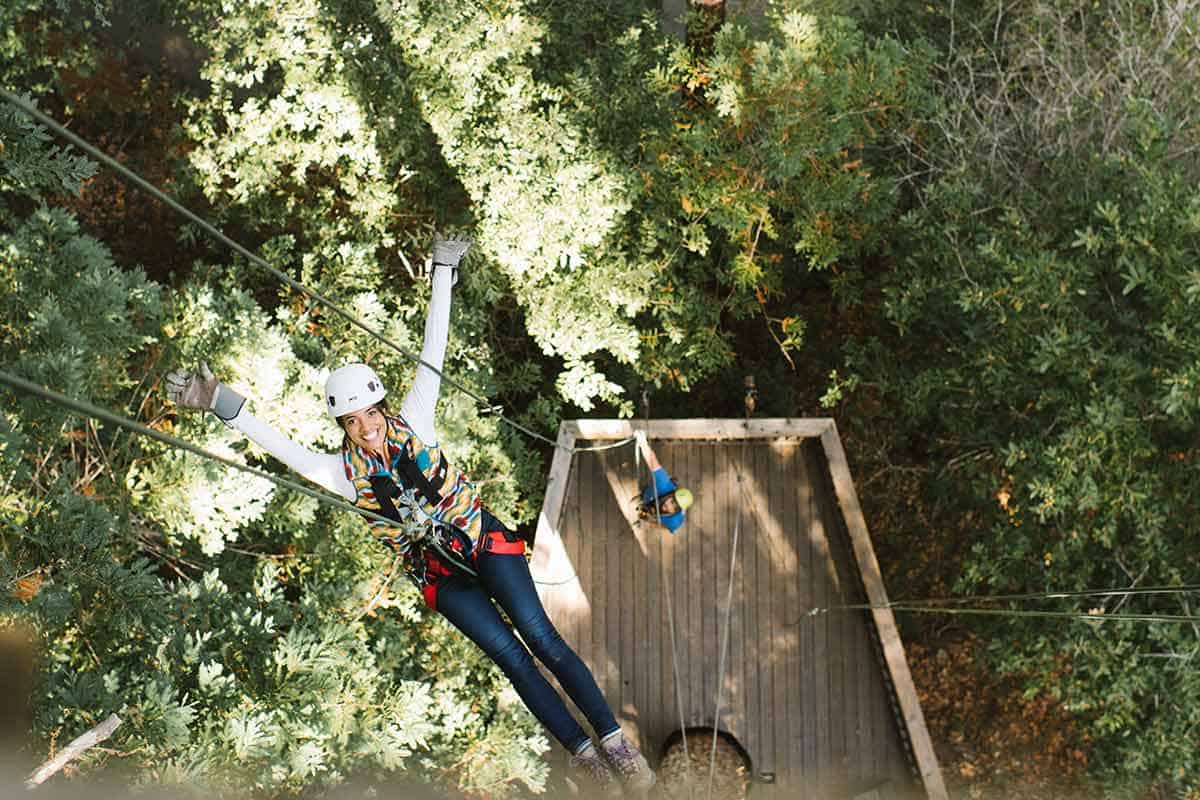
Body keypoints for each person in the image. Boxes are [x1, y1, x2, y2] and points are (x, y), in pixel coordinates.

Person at [165, 235, 654, 797]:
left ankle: (615, 740)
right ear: (343, 427)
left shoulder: (415, 417)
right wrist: (219, 401)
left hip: (481, 540)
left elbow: (433, 349)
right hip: (442, 579)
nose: (366, 427)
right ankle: (585, 753)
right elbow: (280, 445)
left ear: (381, 407)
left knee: (541, 637)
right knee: (514, 662)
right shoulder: (339, 474)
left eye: (370, 413)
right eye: (353, 421)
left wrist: (442, 270)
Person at [634, 431, 692, 533]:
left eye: (674, 507)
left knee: (648, 515)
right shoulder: (663, 484)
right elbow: (653, 462)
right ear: (671, 494)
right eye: (672, 501)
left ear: (678, 511)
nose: (669, 506)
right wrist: (643, 443)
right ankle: (643, 497)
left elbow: (669, 528)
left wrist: (650, 525)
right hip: (650, 494)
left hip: (653, 511)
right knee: (646, 496)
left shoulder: (675, 521)